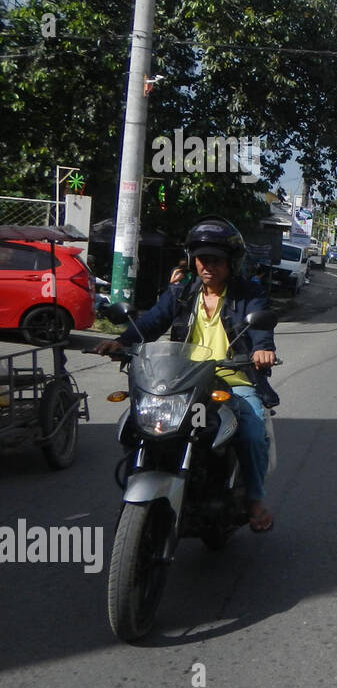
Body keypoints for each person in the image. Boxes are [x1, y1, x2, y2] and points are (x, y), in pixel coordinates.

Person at [95, 216, 279, 533]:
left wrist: (262, 350)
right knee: (136, 423)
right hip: (184, 379)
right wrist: (122, 342)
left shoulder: (249, 293)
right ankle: (142, 482)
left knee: (251, 432)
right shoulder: (182, 293)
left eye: (216, 260)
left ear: (231, 262)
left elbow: (260, 329)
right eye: (202, 259)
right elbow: (151, 322)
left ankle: (255, 499)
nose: (207, 266)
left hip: (232, 380)